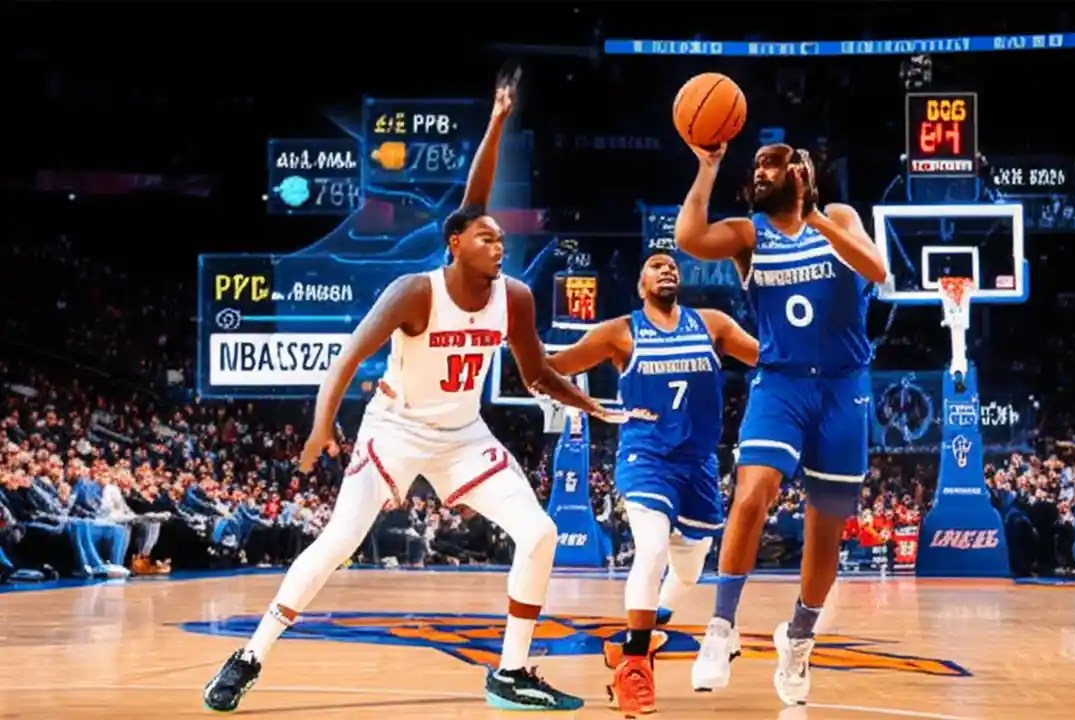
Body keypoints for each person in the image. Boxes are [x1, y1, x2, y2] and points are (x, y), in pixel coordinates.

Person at [203, 75, 635, 713]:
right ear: (456, 244)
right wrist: (322, 426)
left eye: (502, 238)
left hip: (463, 436)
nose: (500, 244)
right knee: (338, 542)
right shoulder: (415, 292)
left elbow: (538, 374)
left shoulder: (514, 298)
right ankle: (249, 656)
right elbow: (348, 358)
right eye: (487, 238)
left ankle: (511, 672)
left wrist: (589, 404)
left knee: (540, 533)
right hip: (395, 429)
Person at [674, 140, 887, 705]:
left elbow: (877, 269)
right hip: (781, 383)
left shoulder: (838, 218)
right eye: (758, 166)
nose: (763, 171)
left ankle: (799, 638)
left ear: (802, 170)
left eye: (775, 161)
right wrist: (708, 167)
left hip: (843, 387)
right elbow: (689, 238)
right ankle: (720, 629)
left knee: (826, 531)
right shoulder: (750, 235)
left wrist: (817, 216)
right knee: (752, 494)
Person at [546, 252, 757, 714]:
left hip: (698, 464)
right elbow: (552, 366)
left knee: (689, 571)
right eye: (655, 265)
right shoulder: (620, 332)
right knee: (652, 548)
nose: (666, 269)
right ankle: (635, 666)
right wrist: (590, 405)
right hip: (647, 458)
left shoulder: (713, 325)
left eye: (671, 265)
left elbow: (768, 358)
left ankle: (637, 636)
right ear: (641, 285)